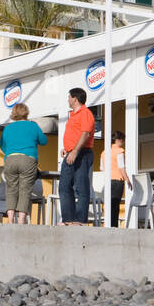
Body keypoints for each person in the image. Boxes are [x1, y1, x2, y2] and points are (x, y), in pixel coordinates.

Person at [0, 102, 46, 224]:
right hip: (27, 159)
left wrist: (12, 151)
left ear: (13, 113)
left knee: (11, 189)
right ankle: (21, 219)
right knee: (25, 190)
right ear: (26, 112)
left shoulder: (7, 128)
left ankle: (10, 219)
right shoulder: (32, 126)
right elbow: (44, 141)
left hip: (10, 159)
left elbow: (3, 146)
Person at [58, 88, 95, 225]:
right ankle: (68, 219)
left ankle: (80, 220)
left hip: (82, 153)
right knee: (64, 186)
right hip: (71, 153)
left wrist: (74, 151)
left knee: (80, 187)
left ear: (75, 99)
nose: (68, 100)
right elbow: (75, 134)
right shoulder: (73, 115)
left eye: (69, 97)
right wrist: (67, 148)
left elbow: (85, 134)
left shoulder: (85, 113)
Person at [101, 130, 127, 226]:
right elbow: (121, 167)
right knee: (115, 205)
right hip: (117, 181)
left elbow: (101, 168)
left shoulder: (104, 152)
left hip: (107, 181)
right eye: (122, 139)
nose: (123, 142)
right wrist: (127, 180)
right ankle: (114, 226)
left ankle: (107, 225)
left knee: (108, 205)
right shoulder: (120, 151)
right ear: (118, 140)